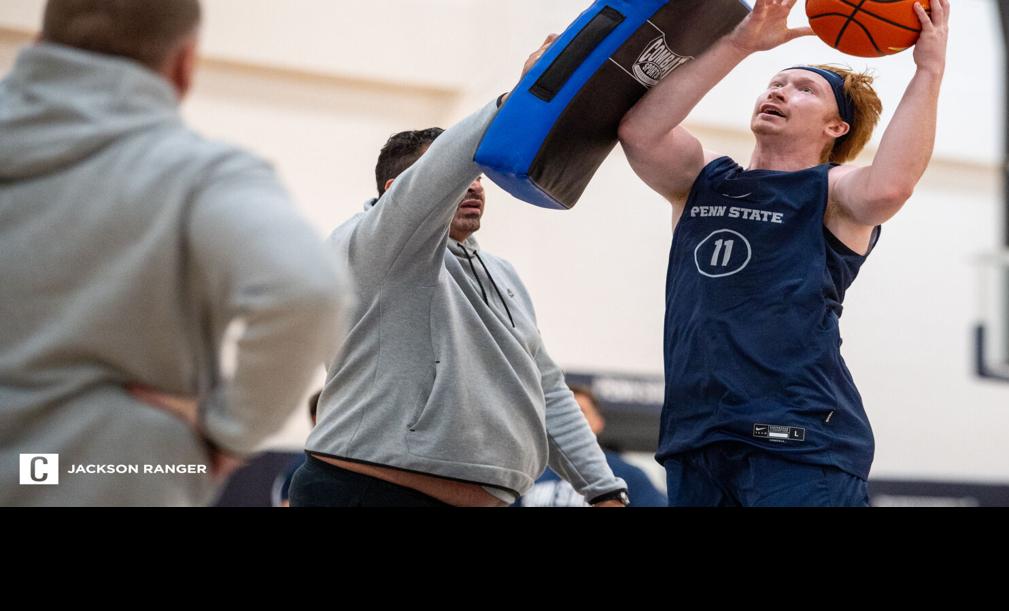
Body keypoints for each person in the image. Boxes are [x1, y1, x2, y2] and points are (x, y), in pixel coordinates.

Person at [0, 0, 350, 506]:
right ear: (184, 65)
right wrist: (229, 432)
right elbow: (307, 288)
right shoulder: (200, 175)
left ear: (38, 44)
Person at [616, 0, 950, 506]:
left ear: (836, 127)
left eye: (804, 89)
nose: (778, 90)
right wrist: (740, 43)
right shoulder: (703, 180)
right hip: (696, 436)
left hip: (801, 439)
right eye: (775, 82)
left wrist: (929, 69)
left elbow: (889, 188)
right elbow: (639, 131)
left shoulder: (833, 193)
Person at [291, 35, 628, 508]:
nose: (473, 185)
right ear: (395, 192)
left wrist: (605, 491)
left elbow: (548, 390)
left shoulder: (503, 273)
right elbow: (440, 173)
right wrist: (521, 98)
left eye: (478, 177)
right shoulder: (369, 242)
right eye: (460, 178)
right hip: (366, 493)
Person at [518, 384, 667, 507]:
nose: (570, 421)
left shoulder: (628, 475)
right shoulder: (528, 474)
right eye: (562, 415)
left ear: (598, 422)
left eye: (580, 412)